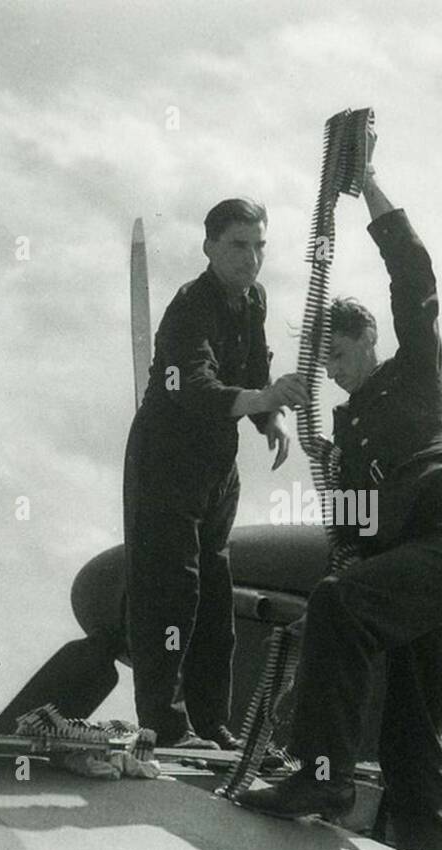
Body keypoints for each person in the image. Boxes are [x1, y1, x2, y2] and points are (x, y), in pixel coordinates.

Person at [236, 132, 442, 850]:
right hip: (428, 565)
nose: (330, 371)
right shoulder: (345, 430)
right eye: (322, 362)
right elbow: (362, 540)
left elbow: (415, 275)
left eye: (336, 355)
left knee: (341, 602)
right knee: (412, 726)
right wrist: (335, 478)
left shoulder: (414, 370)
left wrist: (366, 186)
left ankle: (324, 777)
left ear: (368, 339)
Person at [124, 199, 308, 749]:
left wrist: (268, 417)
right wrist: (264, 397)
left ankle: (211, 725)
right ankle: (166, 725)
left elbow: (253, 367)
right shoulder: (190, 306)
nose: (251, 258)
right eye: (238, 245)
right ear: (209, 247)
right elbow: (195, 388)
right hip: (166, 462)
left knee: (214, 600)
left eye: (259, 246)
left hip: (216, 467)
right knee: (171, 596)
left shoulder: (253, 299)